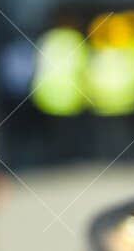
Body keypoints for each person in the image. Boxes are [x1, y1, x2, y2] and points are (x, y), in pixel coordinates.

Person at [83, 11, 134, 161]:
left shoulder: (99, 54)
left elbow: (90, 75)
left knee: (107, 132)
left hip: (104, 101)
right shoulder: (129, 53)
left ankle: (107, 156)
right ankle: (121, 156)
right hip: (124, 101)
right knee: (121, 131)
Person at [31, 22, 90, 163]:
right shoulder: (74, 39)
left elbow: (38, 65)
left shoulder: (48, 39)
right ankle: (70, 156)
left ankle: (55, 157)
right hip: (69, 95)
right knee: (69, 131)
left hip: (48, 94)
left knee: (53, 131)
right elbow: (82, 68)